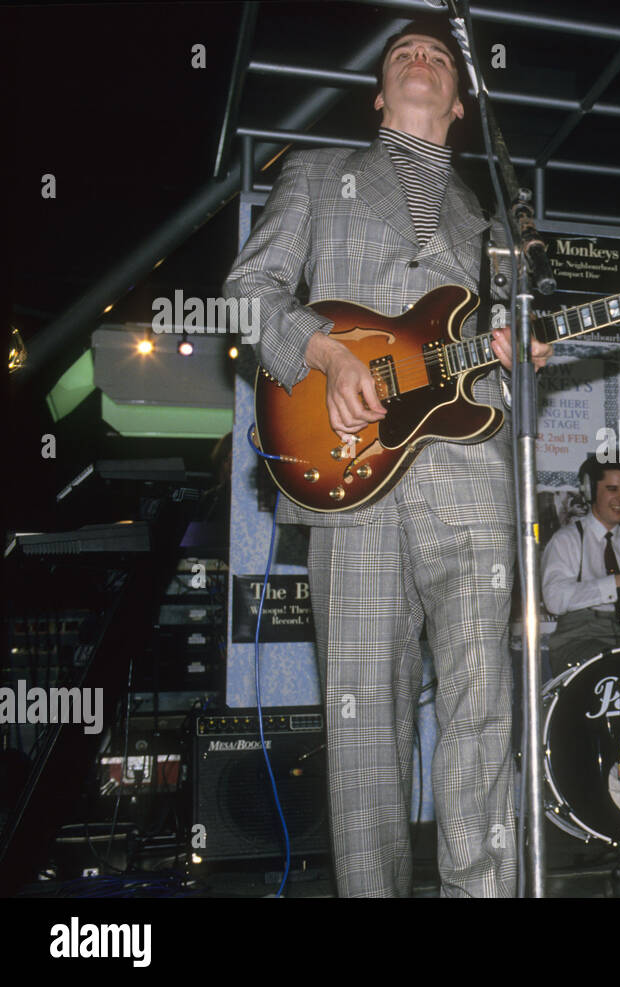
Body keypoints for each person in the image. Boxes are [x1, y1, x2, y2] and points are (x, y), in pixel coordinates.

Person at [225, 16, 551, 897]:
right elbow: (246, 294)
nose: (420, 58)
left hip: (469, 476)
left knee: (483, 708)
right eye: (402, 53)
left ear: (457, 103)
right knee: (366, 726)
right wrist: (324, 354)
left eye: (439, 57)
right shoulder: (318, 174)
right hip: (349, 474)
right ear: (378, 94)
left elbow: (466, 349)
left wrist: (515, 353)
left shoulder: (487, 221)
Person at [541, 458, 620, 674]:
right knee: (616, 667)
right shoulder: (566, 540)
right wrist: (616, 583)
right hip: (578, 642)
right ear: (589, 491)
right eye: (612, 489)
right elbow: (554, 599)